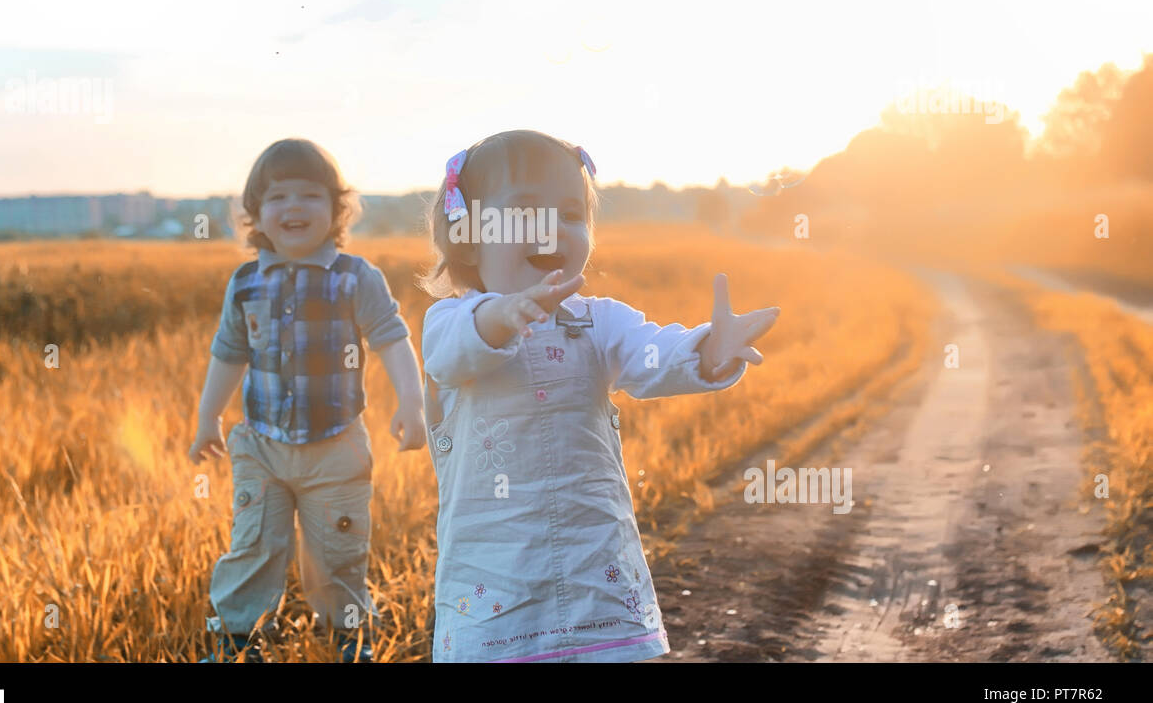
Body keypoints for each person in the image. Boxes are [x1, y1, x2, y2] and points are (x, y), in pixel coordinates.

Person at [418, 129, 779, 662]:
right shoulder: (451, 322)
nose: (553, 230)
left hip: (599, 584)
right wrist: (503, 314)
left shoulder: (598, 321)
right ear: (469, 236)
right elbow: (452, 354)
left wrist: (706, 352)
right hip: (497, 597)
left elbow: (652, 352)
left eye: (570, 214)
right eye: (527, 213)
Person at [190, 138, 427, 662]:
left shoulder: (354, 277)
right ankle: (238, 643)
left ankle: (350, 640)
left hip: (337, 446)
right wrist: (208, 417)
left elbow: (391, 336)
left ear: (337, 209)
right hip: (261, 447)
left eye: (309, 196)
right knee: (254, 546)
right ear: (255, 213)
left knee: (336, 551)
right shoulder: (245, 283)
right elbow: (229, 351)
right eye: (277, 198)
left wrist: (412, 403)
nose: (293, 208)